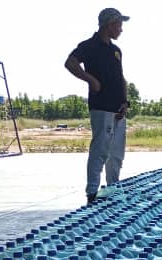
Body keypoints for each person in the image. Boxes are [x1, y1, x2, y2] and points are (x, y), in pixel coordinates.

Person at [66, 7, 130, 204]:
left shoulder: (115, 50)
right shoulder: (89, 46)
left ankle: (113, 187)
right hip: (101, 106)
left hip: (118, 108)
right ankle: (92, 191)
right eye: (118, 25)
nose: (121, 29)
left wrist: (125, 101)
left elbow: (121, 78)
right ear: (109, 24)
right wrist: (90, 80)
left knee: (116, 153)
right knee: (100, 150)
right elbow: (70, 63)